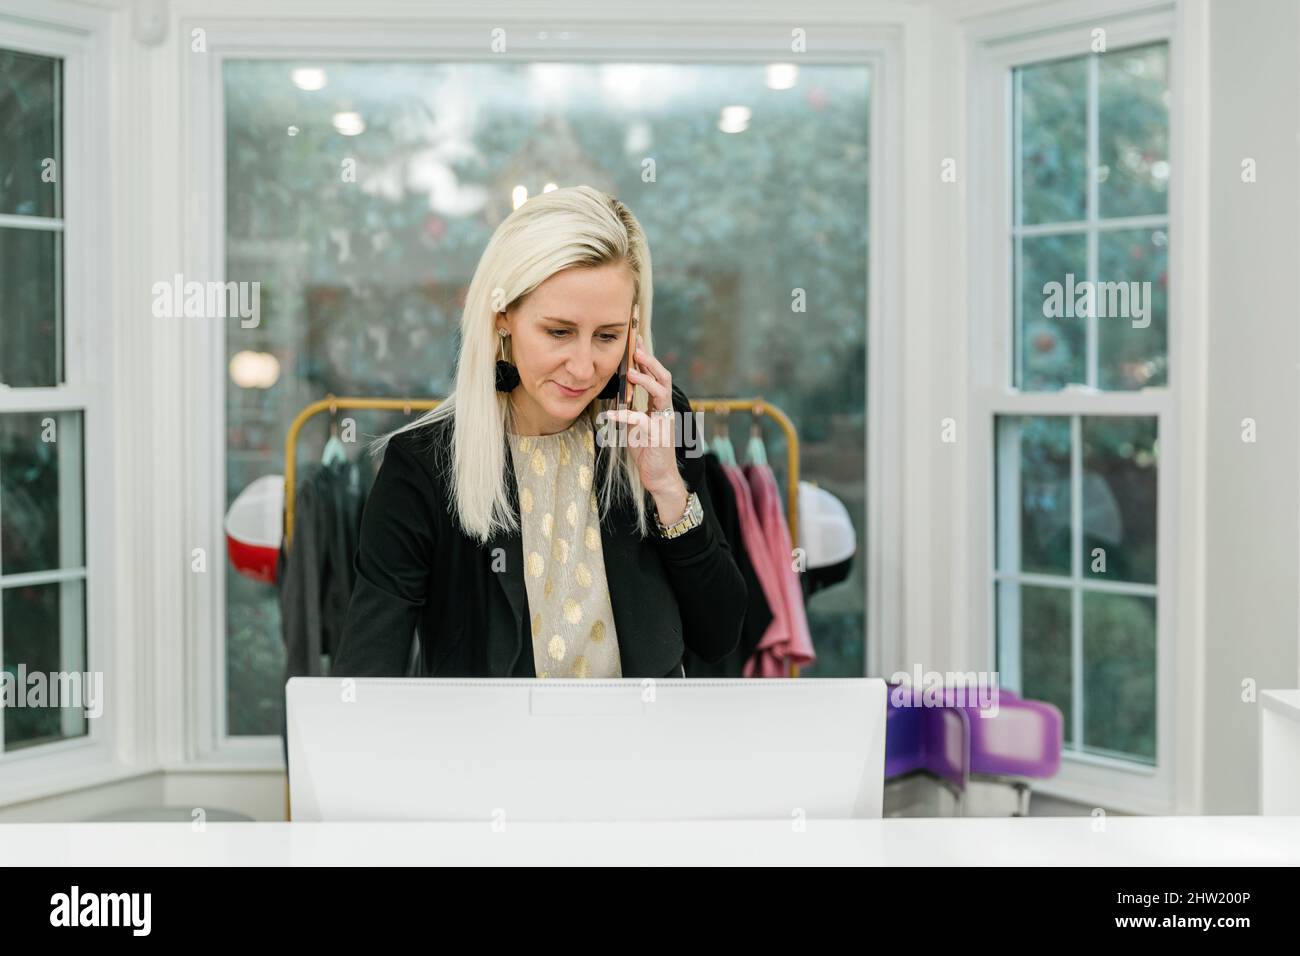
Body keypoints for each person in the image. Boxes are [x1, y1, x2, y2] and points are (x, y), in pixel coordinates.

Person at [331, 185, 747, 678]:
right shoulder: (423, 464)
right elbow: (367, 667)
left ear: (634, 331)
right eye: (558, 332)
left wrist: (668, 490)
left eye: (608, 336)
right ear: (502, 317)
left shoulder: (657, 425)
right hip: (492, 753)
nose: (583, 366)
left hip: (640, 749)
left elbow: (718, 635)